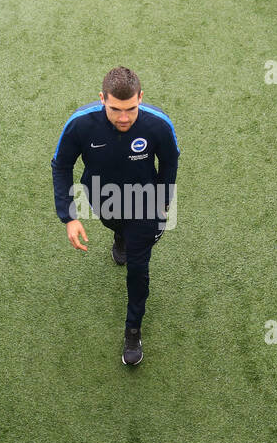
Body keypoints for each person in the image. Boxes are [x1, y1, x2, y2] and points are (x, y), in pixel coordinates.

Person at [51, 68, 180, 365]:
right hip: (102, 197)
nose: (124, 118)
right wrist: (69, 216)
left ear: (141, 99)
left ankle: (133, 329)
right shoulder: (79, 124)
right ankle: (119, 236)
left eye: (131, 109)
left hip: (143, 203)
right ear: (102, 99)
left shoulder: (158, 124)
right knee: (113, 224)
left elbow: (170, 160)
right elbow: (61, 166)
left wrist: (163, 202)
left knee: (138, 268)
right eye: (115, 109)